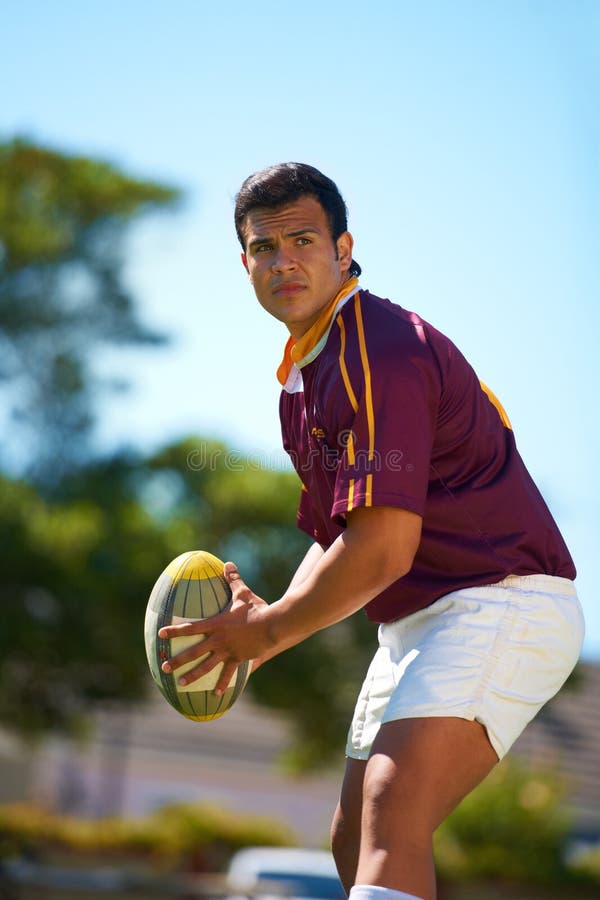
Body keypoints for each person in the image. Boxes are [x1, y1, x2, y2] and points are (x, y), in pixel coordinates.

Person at [158, 163, 584, 900]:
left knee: (393, 812)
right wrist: (268, 624)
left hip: (499, 601)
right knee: (353, 838)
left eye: (303, 239)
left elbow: (384, 548)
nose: (282, 260)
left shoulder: (376, 350)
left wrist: (267, 635)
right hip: (424, 619)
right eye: (264, 247)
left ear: (344, 249)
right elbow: (335, 537)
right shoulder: (305, 376)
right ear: (244, 263)